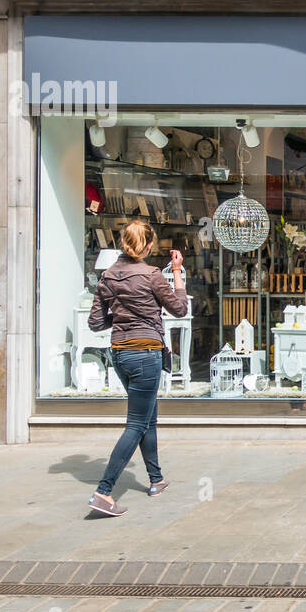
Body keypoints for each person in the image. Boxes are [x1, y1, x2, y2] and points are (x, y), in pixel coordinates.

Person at [86, 221, 189, 516]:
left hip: (120, 352)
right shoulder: (152, 275)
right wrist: (178, 273)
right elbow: (179, 309)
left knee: (147, 418)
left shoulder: (107, 276)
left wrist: (120, 319)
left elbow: (95, 322)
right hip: (145, 352)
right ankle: (104, 492)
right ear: (146, 246)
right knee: (136, 424)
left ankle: (156, 479)